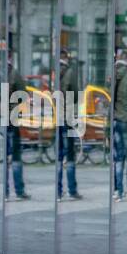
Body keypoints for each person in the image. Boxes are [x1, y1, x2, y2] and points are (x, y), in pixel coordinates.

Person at [111, 48, 127, 200]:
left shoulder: (113, 75)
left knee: (117, 157)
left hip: (114, 120)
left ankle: (118, 191)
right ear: (126, 59)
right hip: (125, 119)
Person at [56, 49, 81, 201]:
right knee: (70, 153)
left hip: (58, 118)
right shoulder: (70, 72)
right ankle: (72, 190)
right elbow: (76, 94)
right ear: (66, 57)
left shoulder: (54, 72)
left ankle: (58, 193)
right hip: (68, 118)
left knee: (59, 155)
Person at [5, 53, 29, 201]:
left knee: (4, 156)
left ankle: (5, 193)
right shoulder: (13, 73)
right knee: (15, 156)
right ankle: (19, 191)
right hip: (12, 119)